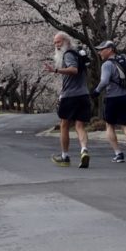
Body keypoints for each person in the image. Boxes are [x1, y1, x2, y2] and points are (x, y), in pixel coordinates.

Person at [44, 31, 92, 168]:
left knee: (64, 125)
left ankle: (65, 156)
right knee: (79, 126)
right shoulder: (78, 54)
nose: (56, 45)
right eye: (54, 43)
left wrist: (56, 70)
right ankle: (84, 150)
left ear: (67, 41)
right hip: (83, 95)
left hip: (70, 96)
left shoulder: (69, 54)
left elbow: (73, 70)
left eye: (58, 42)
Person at [91, 40, 126, 163]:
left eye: (102, 49)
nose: (99, 52)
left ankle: (118, 153)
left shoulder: (107, 65)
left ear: (110, 49)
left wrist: (96, 91)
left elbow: (104, 81)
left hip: (112, 98)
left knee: (110, 125)